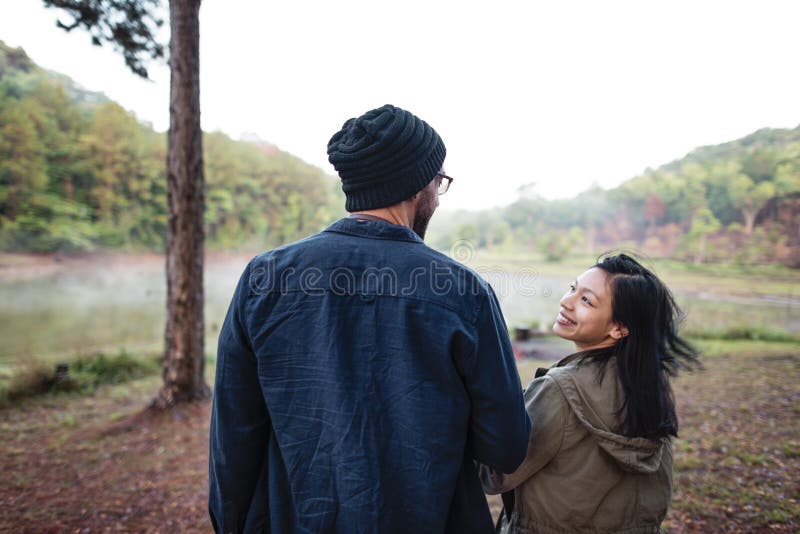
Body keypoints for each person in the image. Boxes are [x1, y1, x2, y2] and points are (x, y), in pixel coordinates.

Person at [209, 104, 531, 533]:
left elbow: (234, 434)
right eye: (439, 181)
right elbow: (505, 446)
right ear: (418, 186)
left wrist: (230, 523)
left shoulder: (264, 278)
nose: (438, 195)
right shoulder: (463, 291)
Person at [481, 253, 699, 533]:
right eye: (572, 288)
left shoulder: (559, 389)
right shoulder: (651, 385)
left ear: (619, 328)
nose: (566, 301)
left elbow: (497, 473)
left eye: (586, 300)